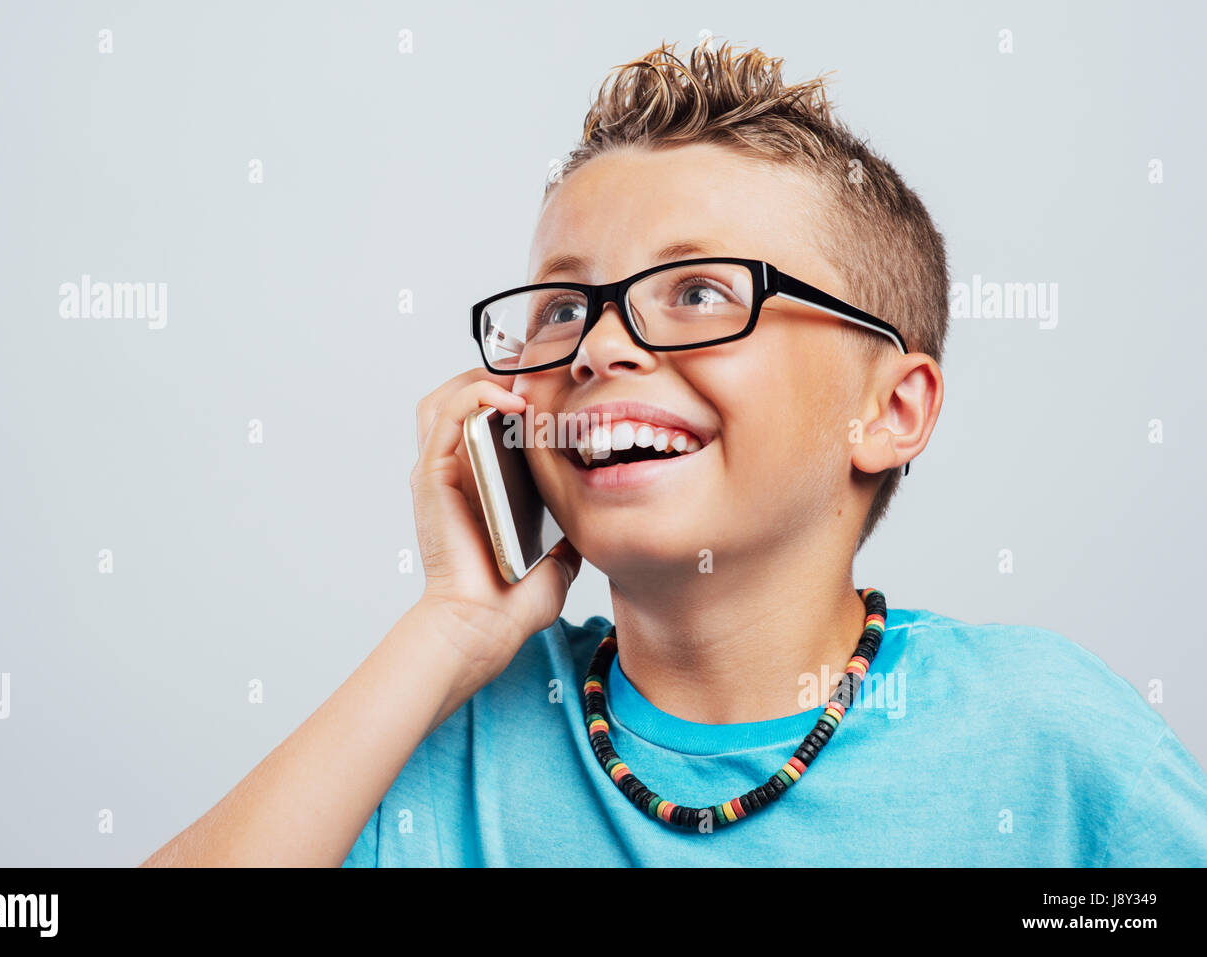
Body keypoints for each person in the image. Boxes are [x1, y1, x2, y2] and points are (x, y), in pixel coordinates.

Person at [143, 39, 1207, 867]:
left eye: (697, 292)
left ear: (890, 409)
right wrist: (450, 629)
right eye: (563, 307)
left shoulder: (1040, 738)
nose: (600, 348)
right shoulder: (445, 739)